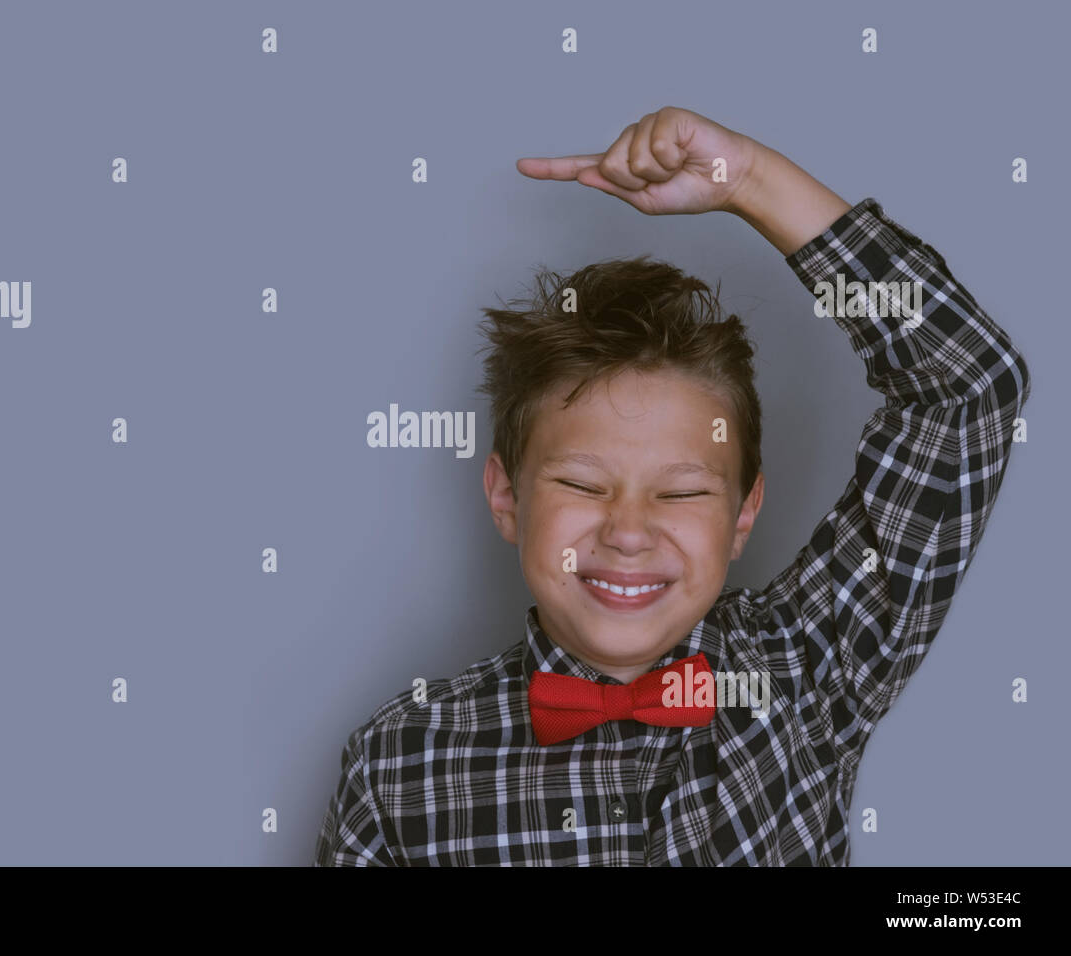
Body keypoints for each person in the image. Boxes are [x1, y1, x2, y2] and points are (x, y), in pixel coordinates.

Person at [313, 106, 1032, 865]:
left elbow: (969, 388)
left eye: (682, 492)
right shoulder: (397, 765)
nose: (628, 531)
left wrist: (749, 179)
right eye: (584, 486)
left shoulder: (807, 666)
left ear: (744, 512)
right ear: (506, 498)